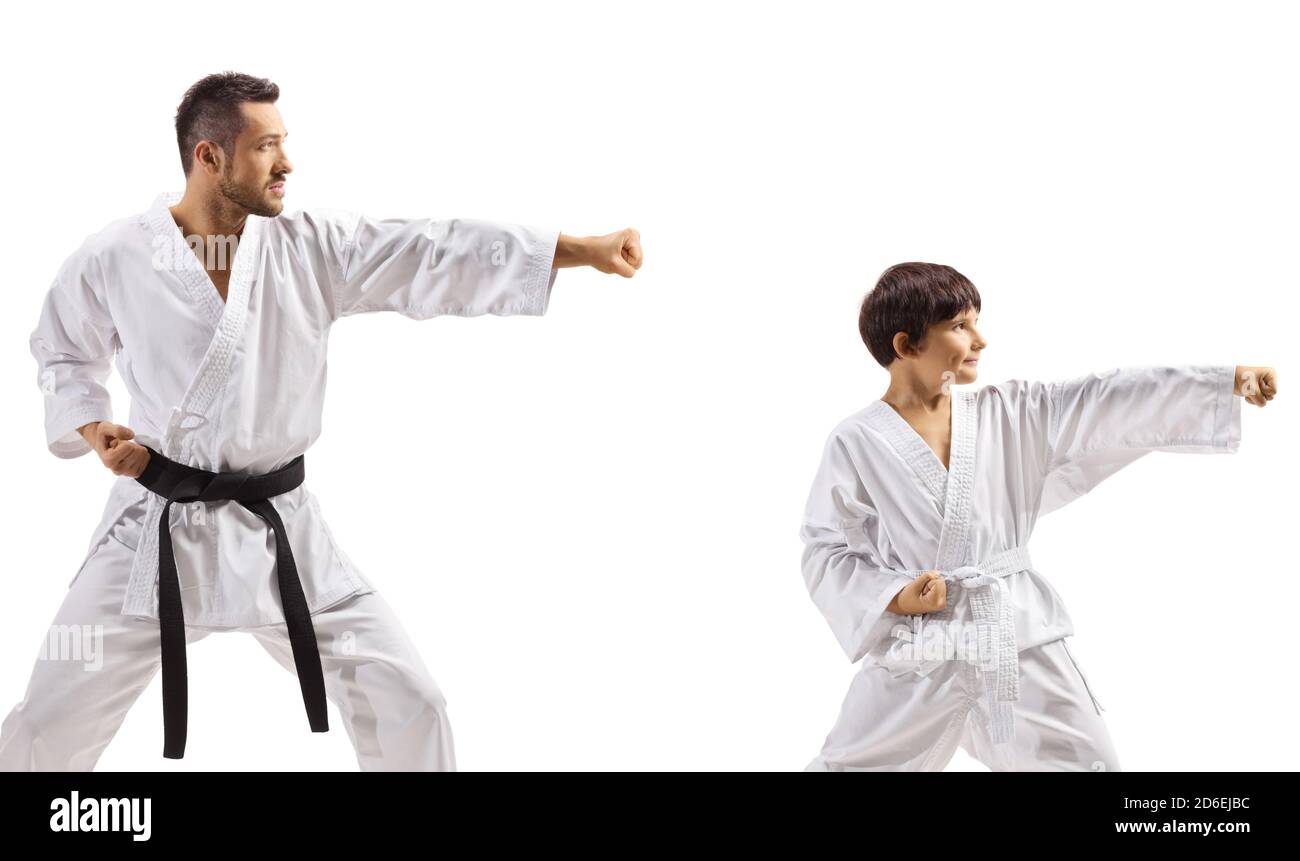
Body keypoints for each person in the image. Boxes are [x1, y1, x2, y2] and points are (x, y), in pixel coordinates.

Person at [0, 71, 643, 771]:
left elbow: (429, 248)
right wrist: (97, 430)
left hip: (282, 534)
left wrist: (576, 249)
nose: (287, 163)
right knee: (44, 727)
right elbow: (62, 348)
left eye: (285, 144)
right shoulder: (119, 254)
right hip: (154, 534)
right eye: (266, 146)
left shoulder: (308, 248)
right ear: (209, 157)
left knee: (413, 700)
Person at [799, 261, 1276, 771]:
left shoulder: (1010, 412)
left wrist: (1221, 383)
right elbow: (826, 547)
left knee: (1086, 762)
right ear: (905, 345)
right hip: (921, 647)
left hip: (1015, 633)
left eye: (976, 322)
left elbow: (1101, 396)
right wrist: (894, 594)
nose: (980, 340)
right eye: (960, 326)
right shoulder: (857, 441)